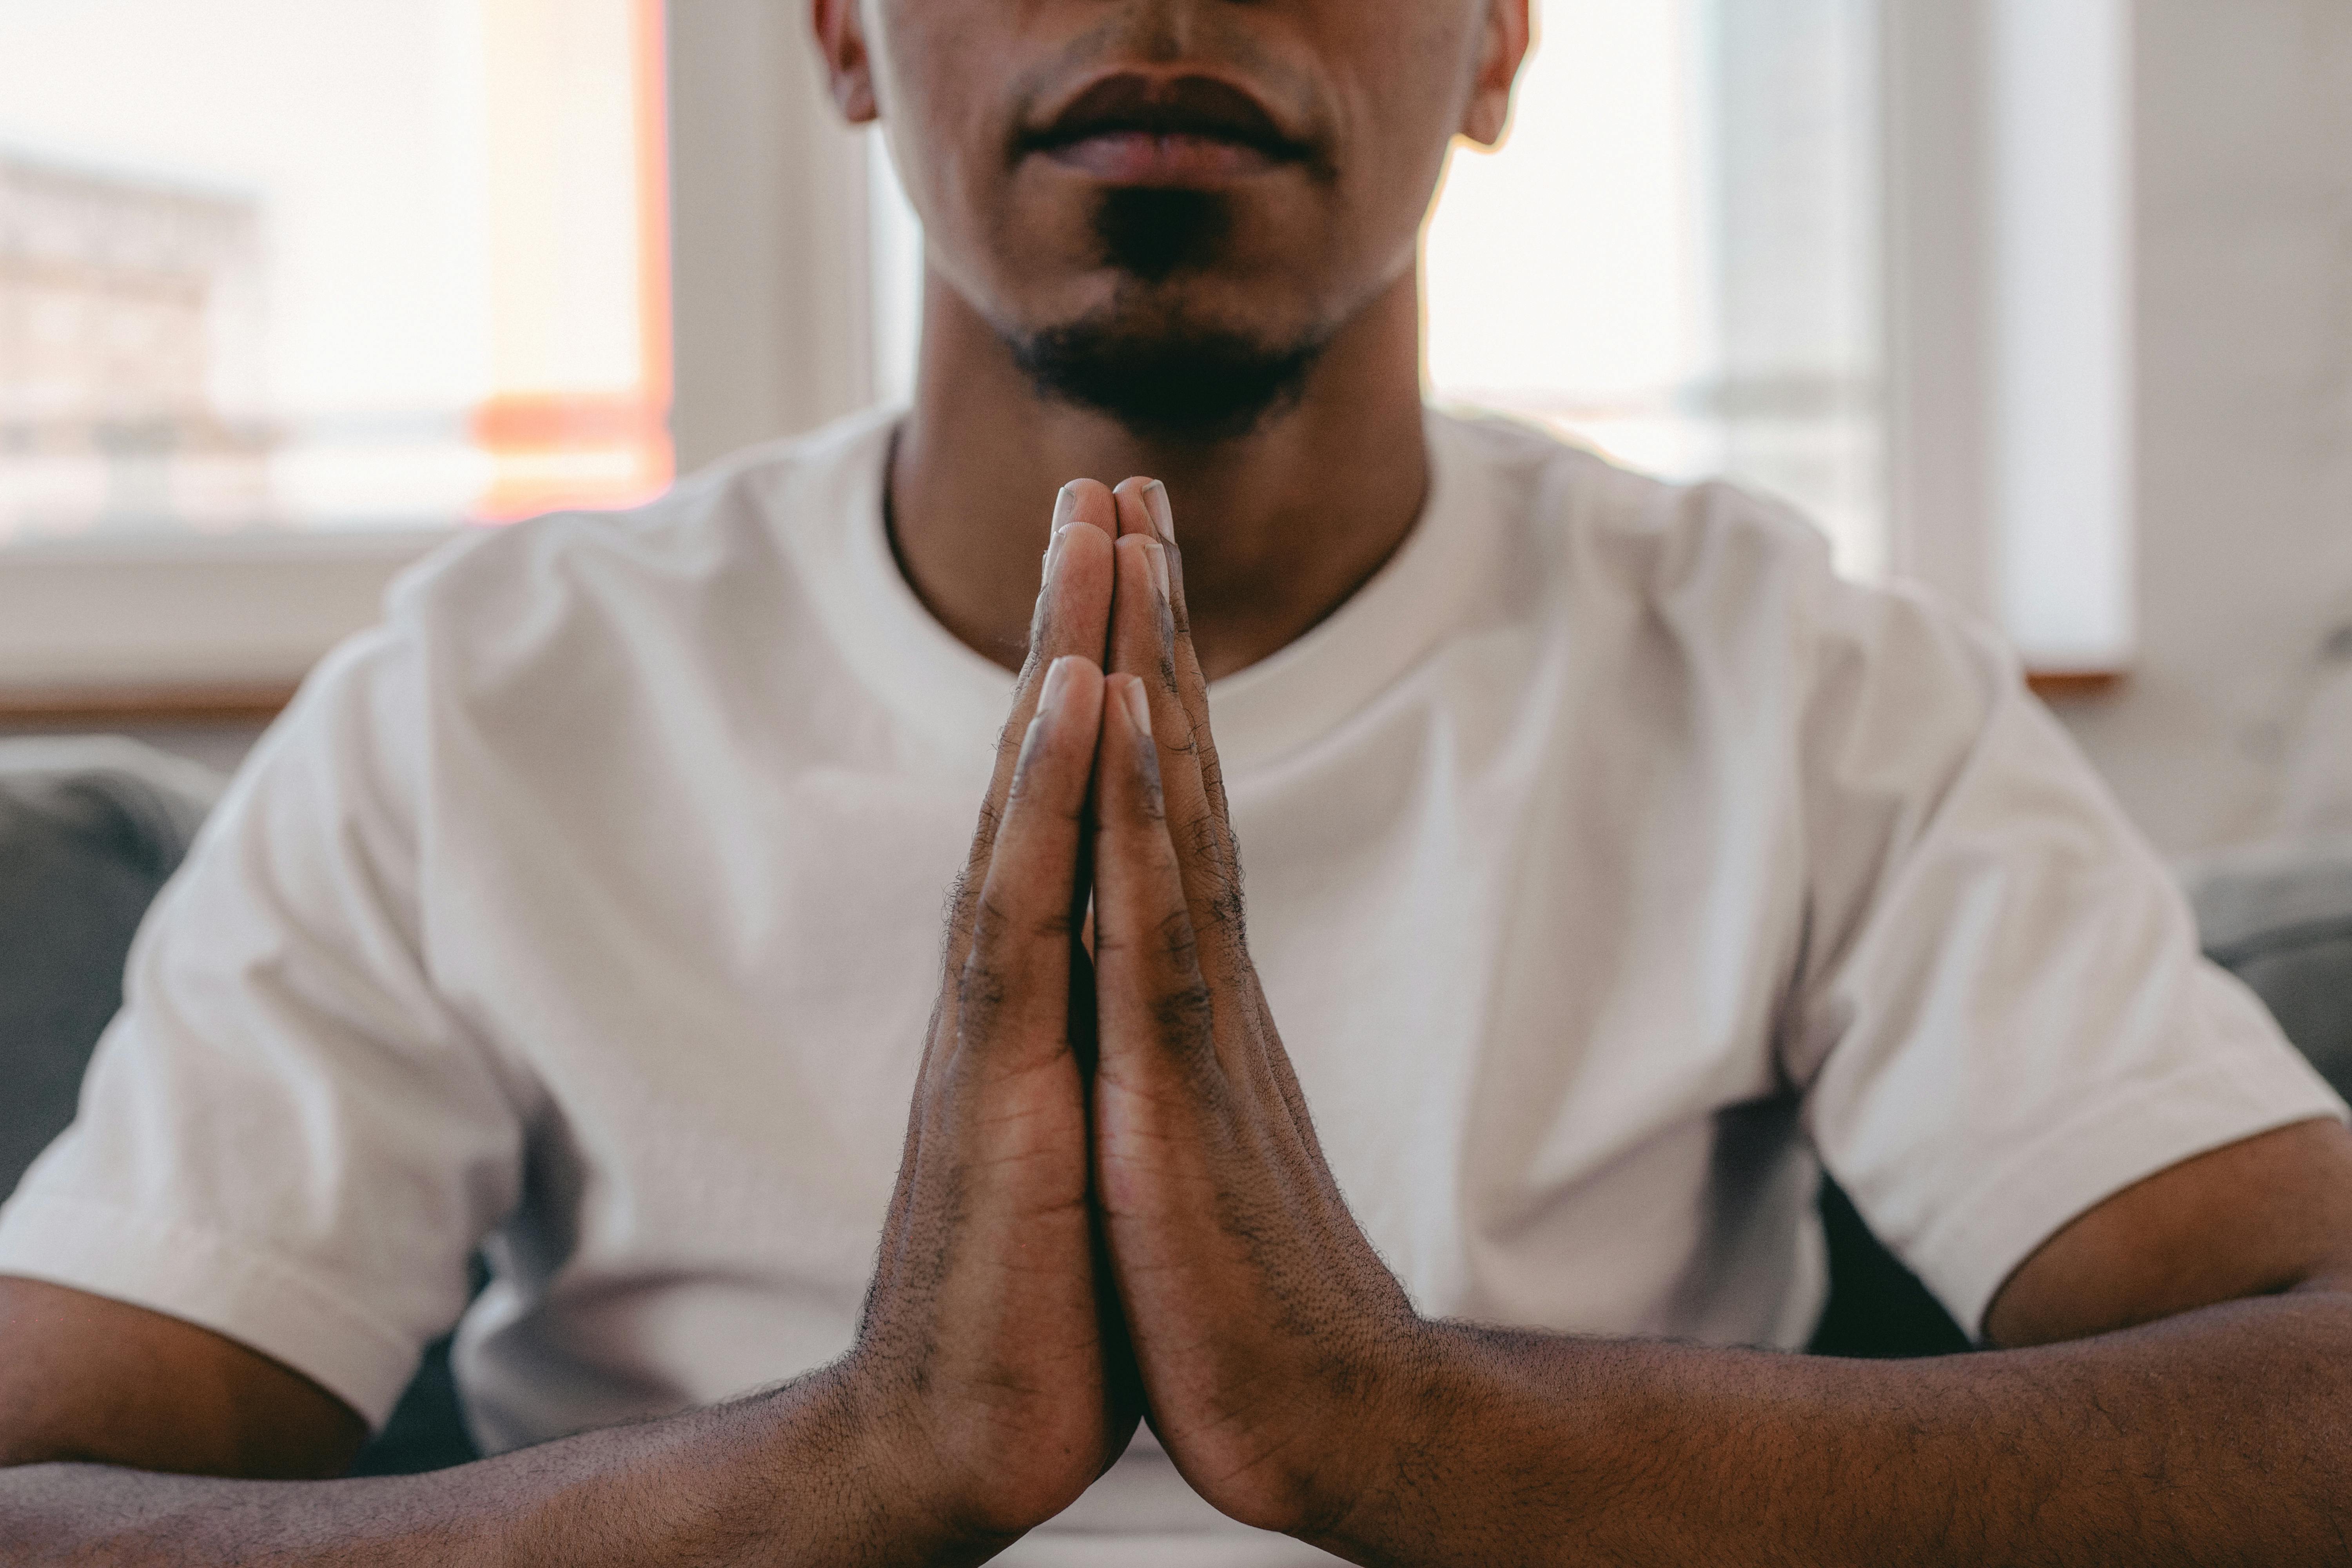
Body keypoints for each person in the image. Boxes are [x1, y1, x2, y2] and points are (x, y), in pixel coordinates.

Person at [3, 0, 2349, 1561]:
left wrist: (1399, 1429)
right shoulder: (482, 702)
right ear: (841, 28)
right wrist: (867, 1463)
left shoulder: (1796, 674)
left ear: (1499, 36)